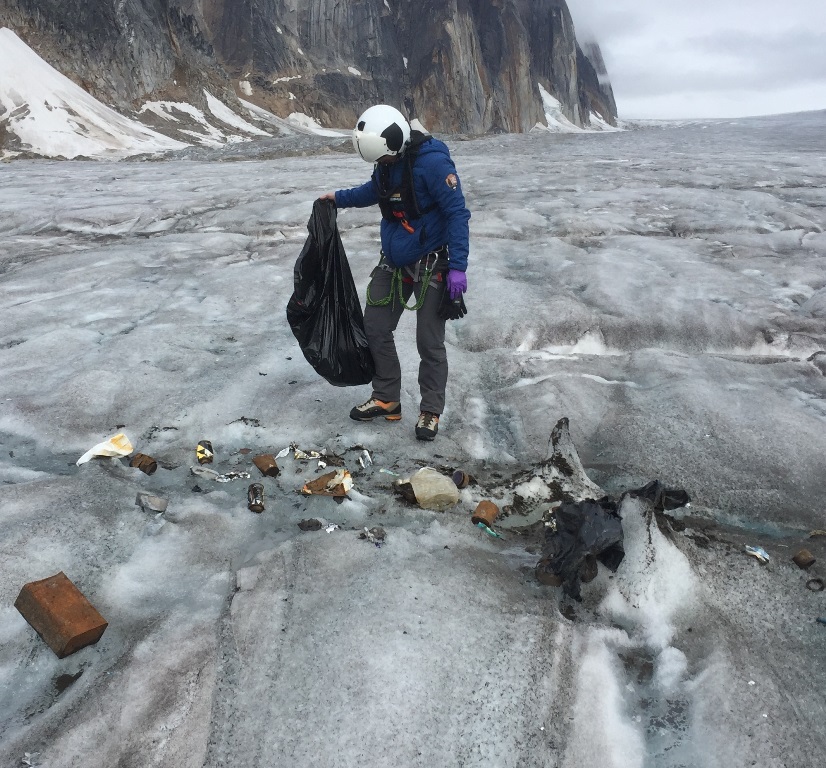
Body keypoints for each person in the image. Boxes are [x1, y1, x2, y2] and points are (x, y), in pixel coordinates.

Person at [319, 104, 470, 441]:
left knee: (429, 342)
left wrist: (458, 268)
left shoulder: (434, 164)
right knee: (375, 326)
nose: (383, 163)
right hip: (395, 260)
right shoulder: (386, 163)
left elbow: (457, 214)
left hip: (432, 263)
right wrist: (338, 198)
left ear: (397, 141)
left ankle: (430, 411)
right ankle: (387, 397)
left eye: (384, 158)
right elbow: (374, 190)